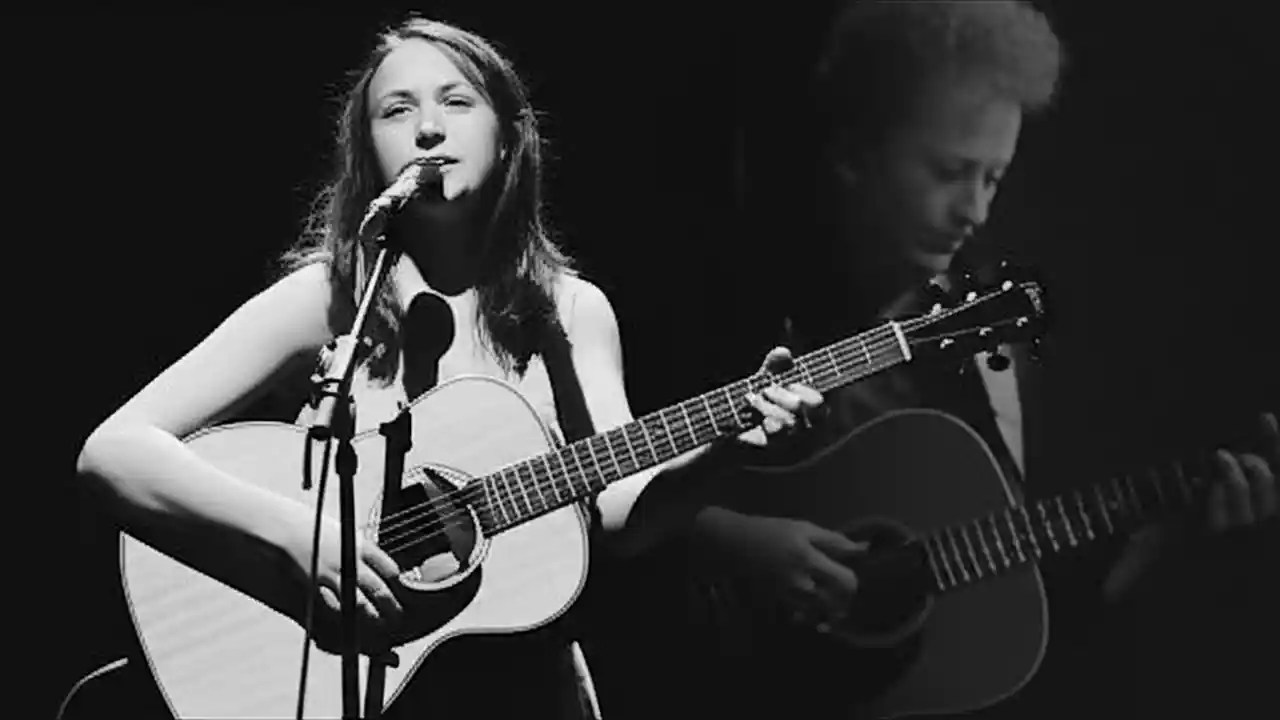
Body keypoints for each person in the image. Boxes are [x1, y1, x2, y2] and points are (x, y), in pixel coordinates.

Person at [72, 14, 824, 720]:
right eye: (396, 111)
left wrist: (722, 455)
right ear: (369, 153)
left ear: (509, 137)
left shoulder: (571, 312)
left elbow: (618, 511)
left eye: (456, 101)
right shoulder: (331, 298)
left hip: (519, 690)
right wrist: (302, 539)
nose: (428, 127)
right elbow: (113, 451)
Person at [614, 1, 1277, 717]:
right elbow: (567, 490)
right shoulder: (709, 303)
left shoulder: (987, 345)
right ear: (853, 153)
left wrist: (1159, 538)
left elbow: (1007, 614)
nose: (977, 211)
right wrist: (734, 539)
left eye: (993, 178)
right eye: (951, 170)